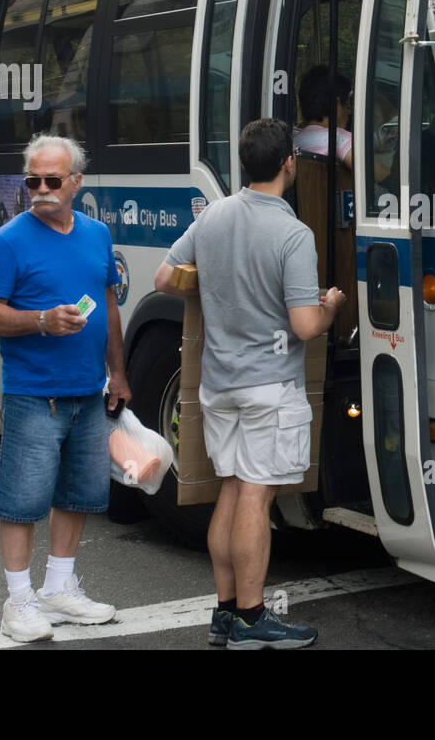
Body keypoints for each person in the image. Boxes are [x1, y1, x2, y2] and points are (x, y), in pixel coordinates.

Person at [154, 119, 345, 650]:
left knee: (233, 490)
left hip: (218, 386)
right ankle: (253, 617)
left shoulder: (213, 215)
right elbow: (305, 326)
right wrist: (330, 307)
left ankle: (224, 613)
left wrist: (218, 283)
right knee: (256, 500)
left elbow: (165, 279)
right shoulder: (292, 234)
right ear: (290, 163)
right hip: (269, 388)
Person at [0, 134, 131, 643]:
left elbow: (108, 307)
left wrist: (119, 374)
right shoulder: (7, 242)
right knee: (22, 501)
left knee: (80, 494)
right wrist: (41, 319)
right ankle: (18, 602)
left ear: (76, 183)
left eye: (51, 180)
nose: (40, 189)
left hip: (88, 390)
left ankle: (58, 589)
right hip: (34, 393)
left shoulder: (96, 235)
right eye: (32, 180)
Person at [294, 66, 354, 170]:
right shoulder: (339, 138)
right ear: (337, 104)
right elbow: (382, 178)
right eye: (348, 105)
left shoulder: (295, 140)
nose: (349, 112)